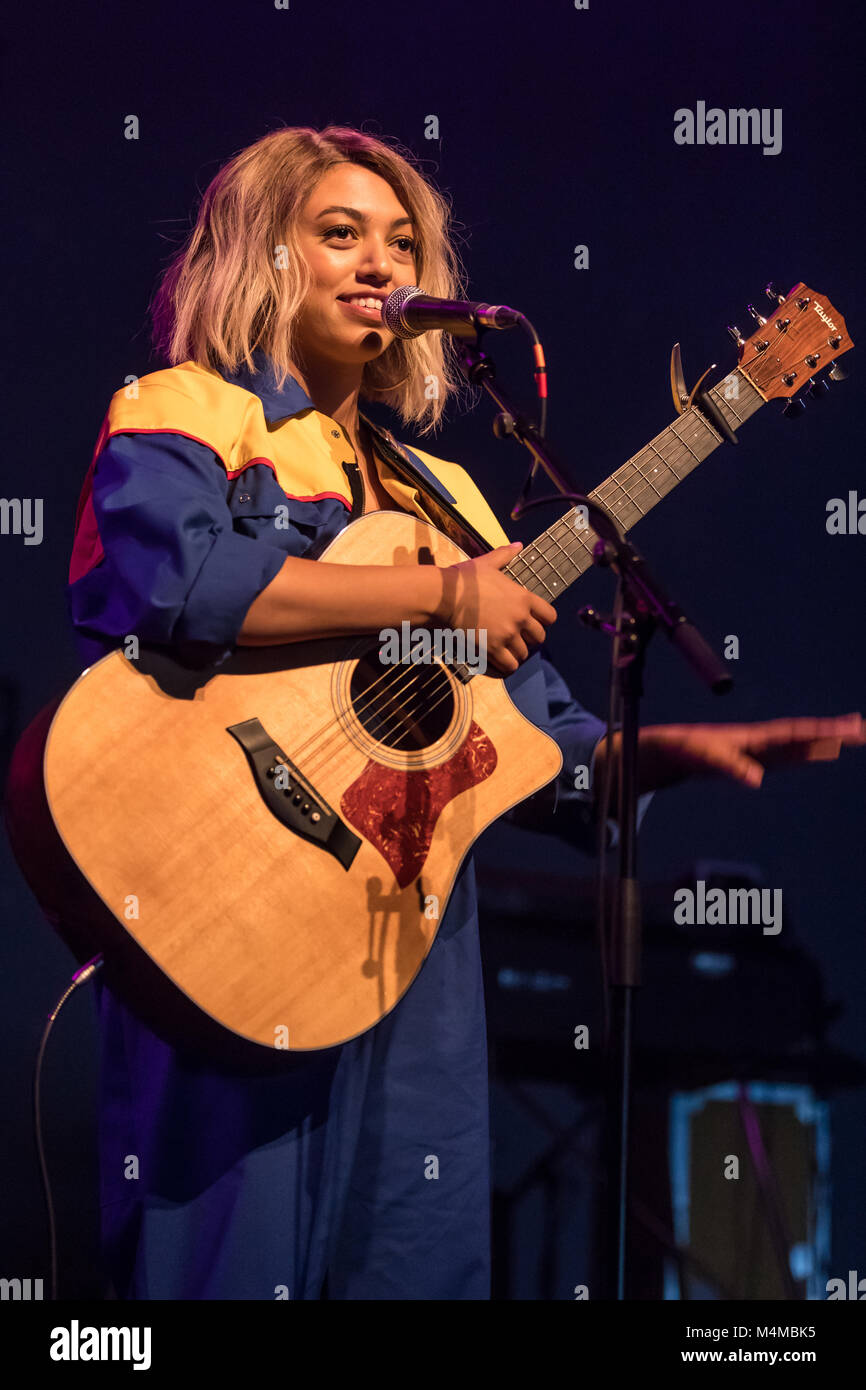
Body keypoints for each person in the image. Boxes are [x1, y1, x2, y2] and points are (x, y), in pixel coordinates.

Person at [64, 126, 863, 1300]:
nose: (380, 265)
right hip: (227, 911)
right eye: (337, 234)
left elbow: (532, 749)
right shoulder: (185, 408)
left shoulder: (444, 495)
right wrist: (441, 593)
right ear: (258, 256)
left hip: (406, 952)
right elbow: (178, 586)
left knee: (416, 1271)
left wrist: (672, 755)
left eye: (402, 244)